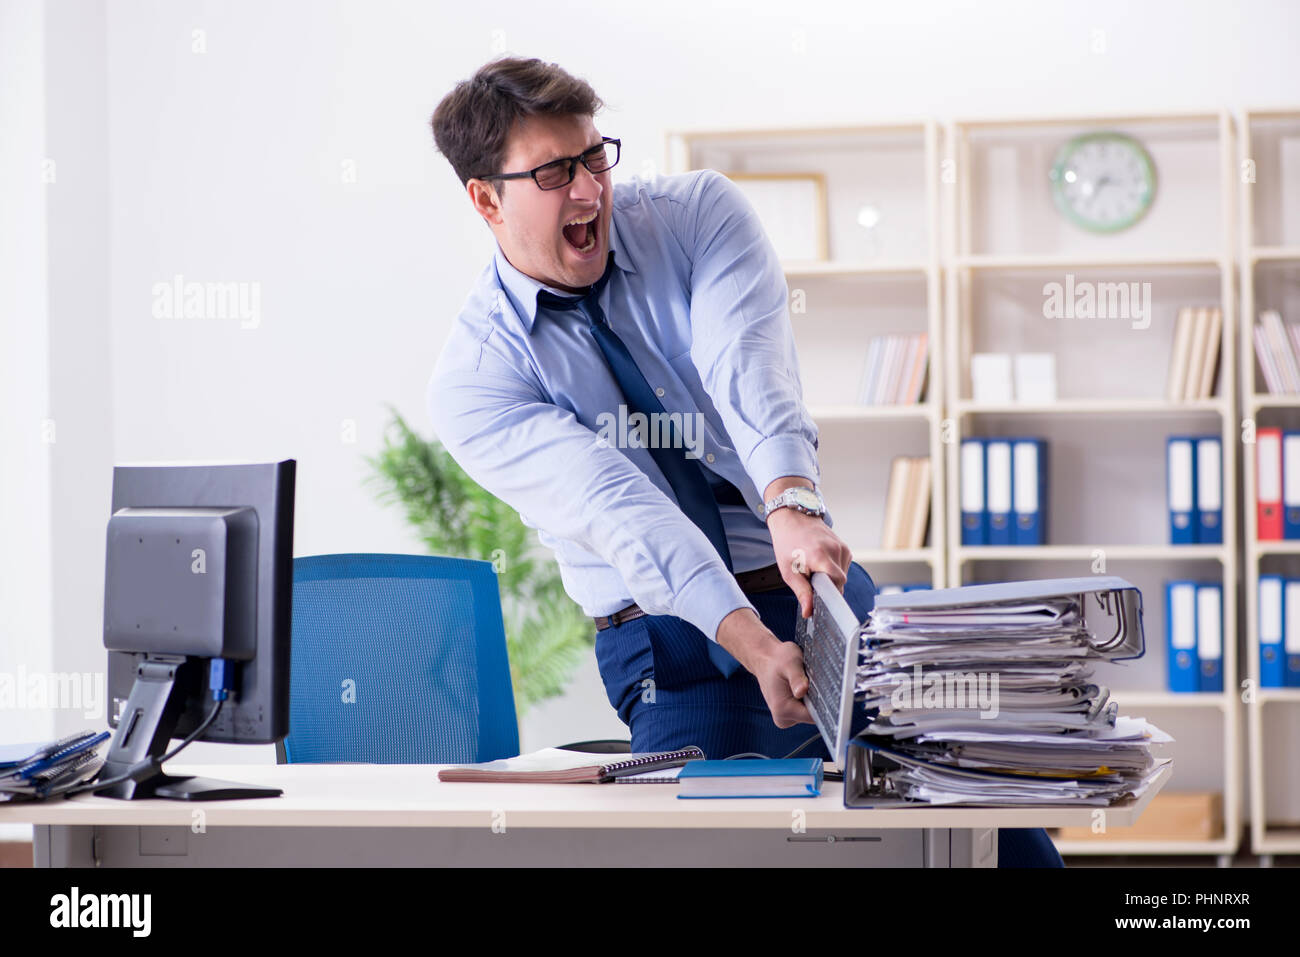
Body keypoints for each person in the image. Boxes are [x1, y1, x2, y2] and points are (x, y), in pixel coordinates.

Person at [426, 55, 1062, 868]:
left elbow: (748, 369)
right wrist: (755, 646)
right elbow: (625, 511)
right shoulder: (478, 379)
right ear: (486, 198)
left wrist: (792, 500)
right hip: (672, 641)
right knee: (716, 849)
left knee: (987, 830)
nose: (588, 191)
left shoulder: (696, 215)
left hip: (812, 590)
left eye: (593, 157)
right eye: (554, 172)